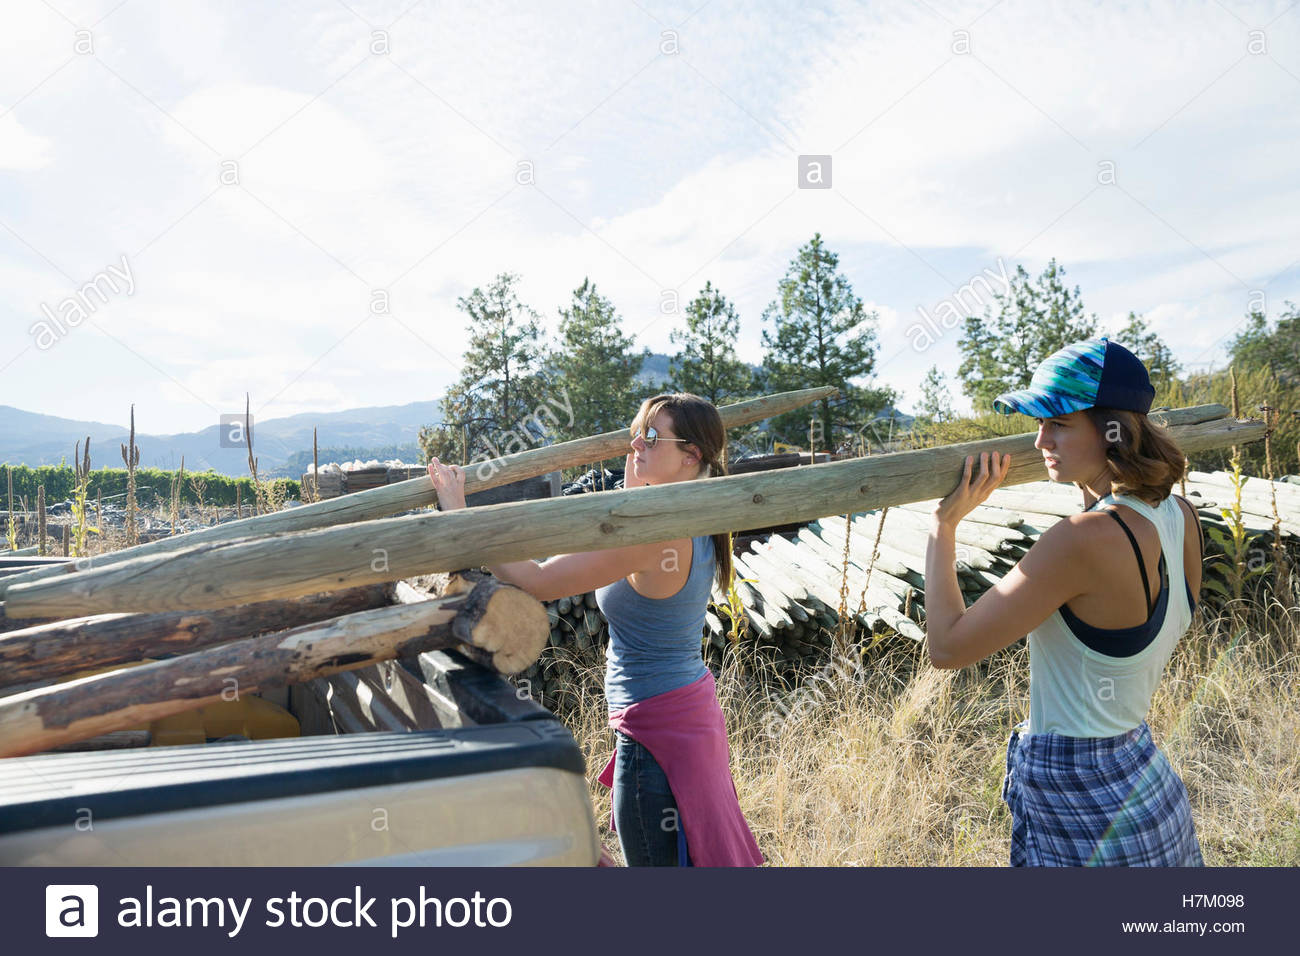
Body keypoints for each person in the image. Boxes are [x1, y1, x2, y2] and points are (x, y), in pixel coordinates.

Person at [427, 392, 763, 867]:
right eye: (635, 433)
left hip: (659, 732)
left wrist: (460, 512)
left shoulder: (657, 532)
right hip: (681, 716)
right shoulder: (698, 513)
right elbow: (634, 534)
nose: (636, 445)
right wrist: (638, 476)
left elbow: (538, 581)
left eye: (652, 436)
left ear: (692, 456)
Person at [923, 337, 1205, 866]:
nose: (1039, 440)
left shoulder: (1079, 541)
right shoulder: (1181, 517)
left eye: (1059, 423)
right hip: (1146, 780)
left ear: (1113, 431)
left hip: (1085, 803)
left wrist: (944, 525)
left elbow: (946, 646)